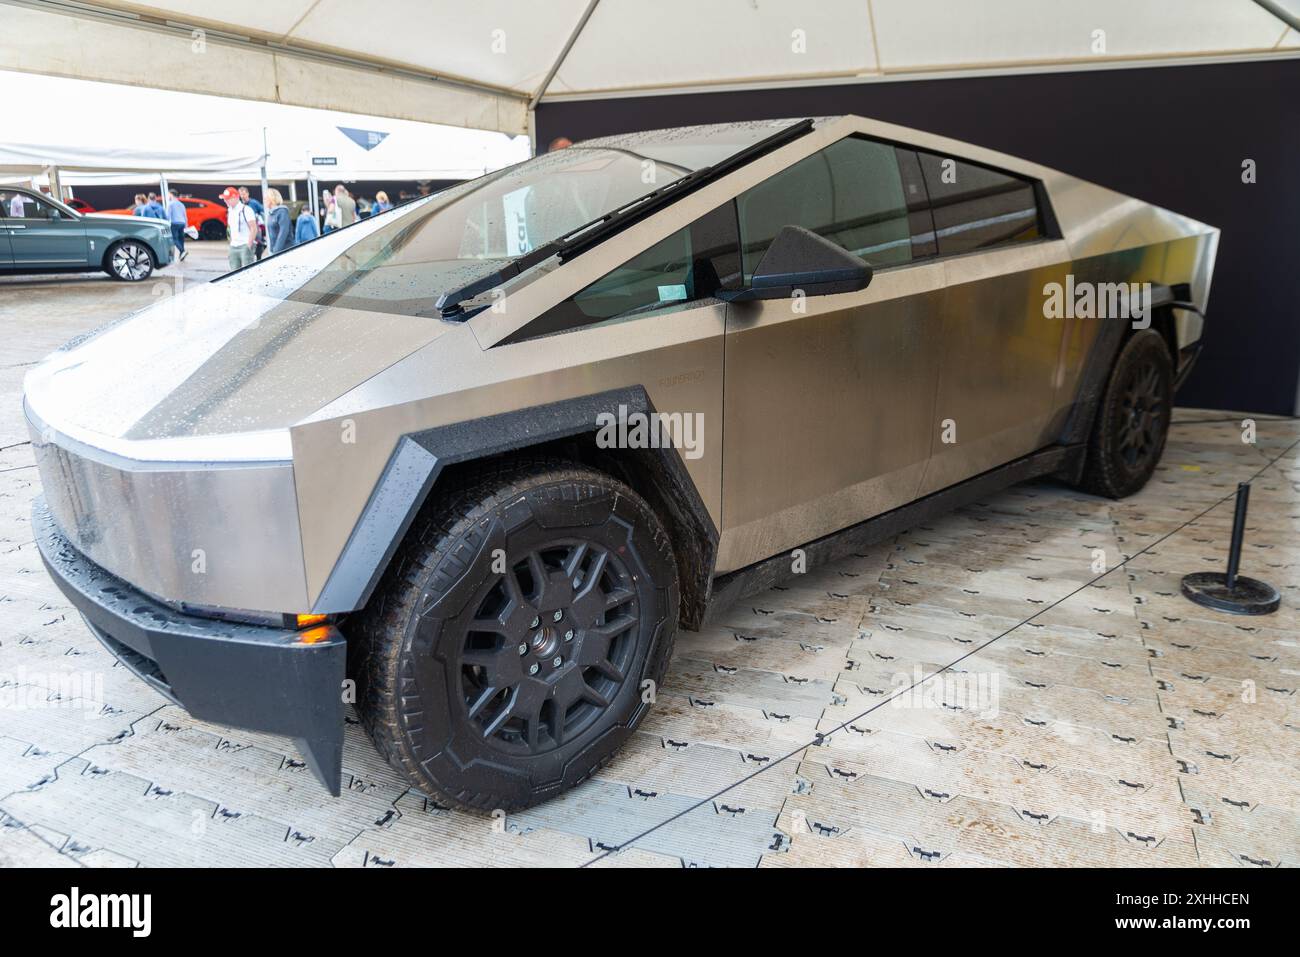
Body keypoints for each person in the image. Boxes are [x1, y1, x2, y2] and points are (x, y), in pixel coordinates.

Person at [220, 186, 258, 272]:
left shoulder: (246, 209)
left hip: (245, 245)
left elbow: (253, 228)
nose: (225, 201)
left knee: (247, 272)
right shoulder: (230, 210)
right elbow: (230, 228)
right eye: (225, 199)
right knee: (234, 273)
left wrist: (249, 244)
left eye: (227, 199)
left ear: (235, 198)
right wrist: (231, 243)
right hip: (234, 246)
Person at [264, 188, 292, 255]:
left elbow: (283, 233)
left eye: (265, 198)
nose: (264, 201)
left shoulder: (282, 212)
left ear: (271, 198)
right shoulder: (270, 214)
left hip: (285, 251)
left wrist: (276, 251)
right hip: (275, 251)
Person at [165, 188, 188, 261]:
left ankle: (182, 251)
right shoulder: (181, 204)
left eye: (169, 194)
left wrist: (166, 223)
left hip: (174, 223)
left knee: (174, 239)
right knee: (181, 239)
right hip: (182, 223)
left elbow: (168, 215)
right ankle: (182, 255)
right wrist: (186, 225)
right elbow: (185, 215)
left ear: (171, 195)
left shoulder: (170, 204)